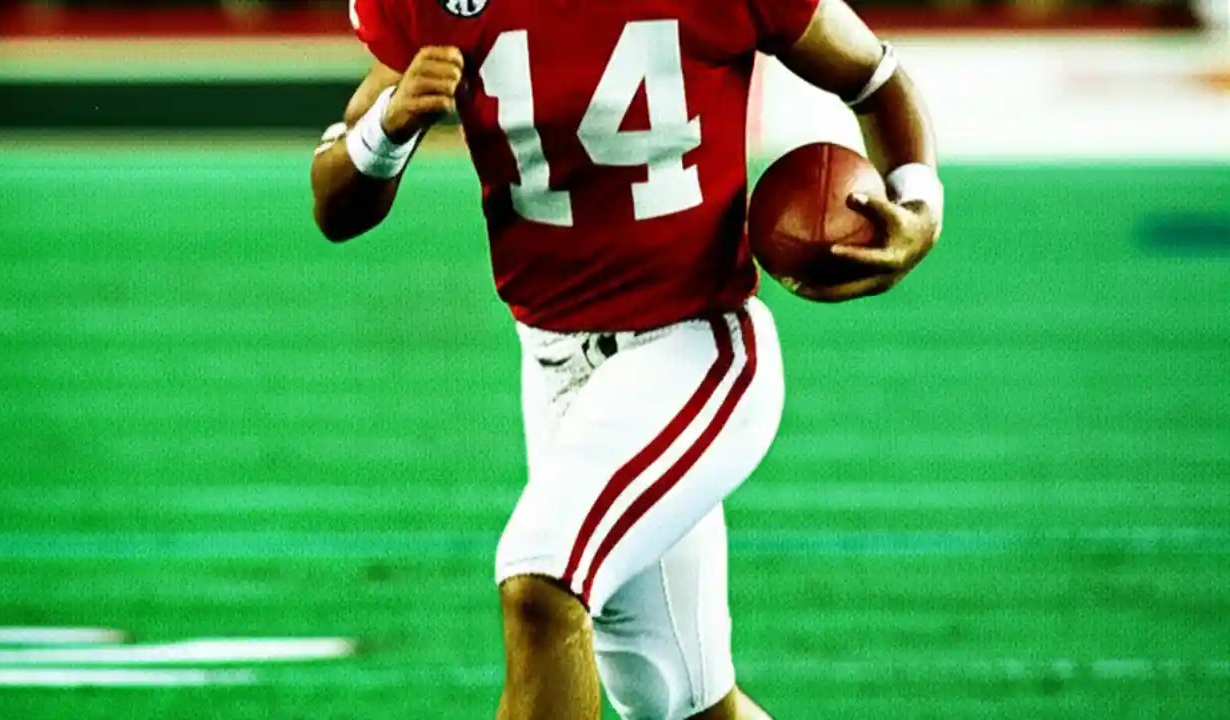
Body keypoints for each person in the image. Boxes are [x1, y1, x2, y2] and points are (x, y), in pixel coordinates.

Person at [311, 0, 943, 716]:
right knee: (684, 703)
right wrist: (388, 130)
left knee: (541, 582)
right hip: (555, 367)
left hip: (695, 346)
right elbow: (335, 205)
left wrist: (919, 204)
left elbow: (875, 79)